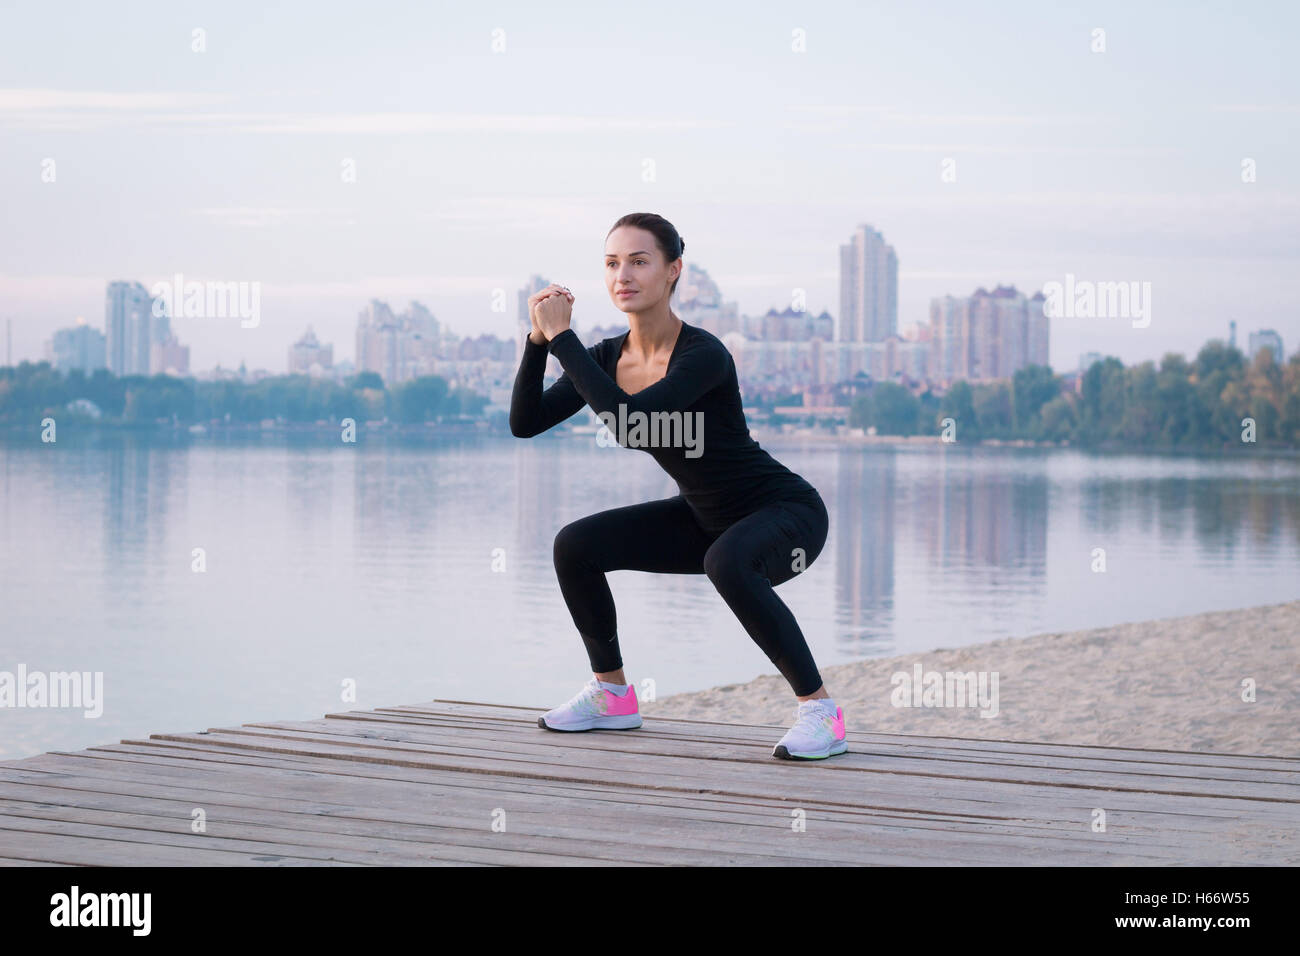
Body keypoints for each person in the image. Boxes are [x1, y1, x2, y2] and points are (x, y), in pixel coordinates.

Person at [509, 212, 846, 760]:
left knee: (727, 561)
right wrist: (537, 341)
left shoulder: (703, 355)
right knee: (575, 545)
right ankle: (612, 694)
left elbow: (629, 423)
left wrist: (564, 335)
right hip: (703, 518)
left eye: (640, 261)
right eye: (613, 263)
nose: (624, 275)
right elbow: (525, 423)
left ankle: (821, 712)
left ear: (673, 271)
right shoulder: (605, 359)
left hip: (786, 514)